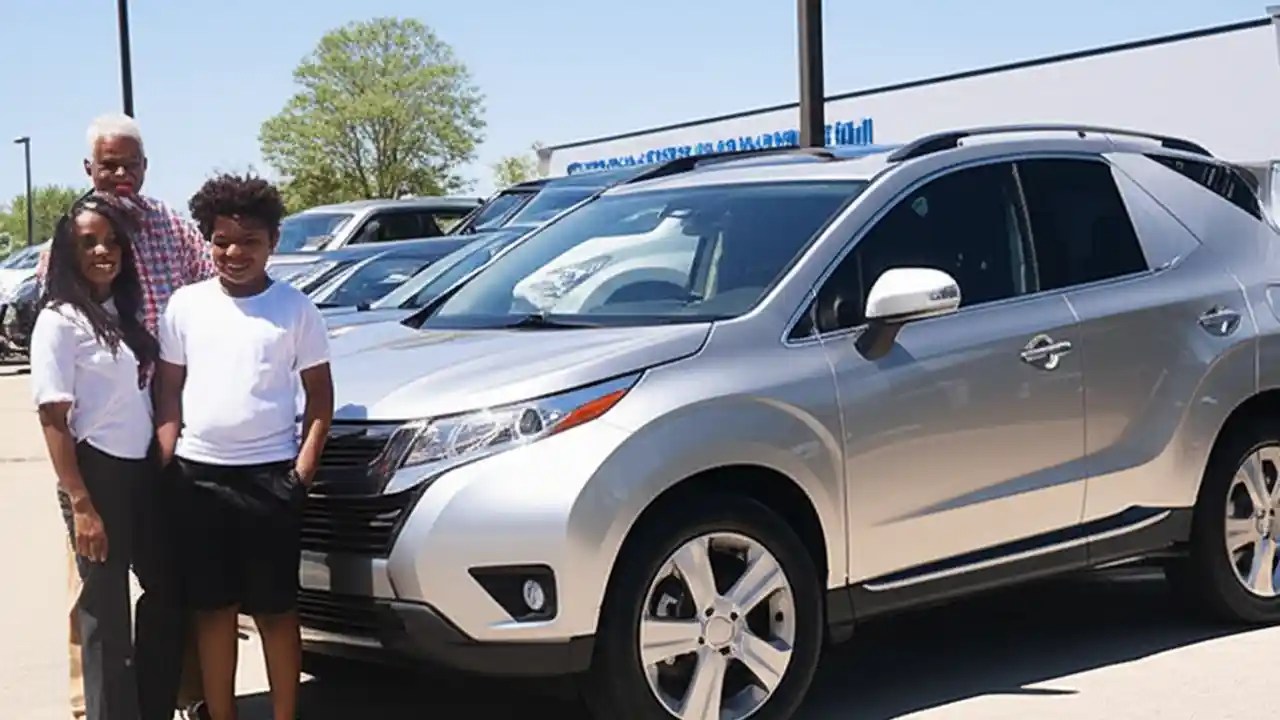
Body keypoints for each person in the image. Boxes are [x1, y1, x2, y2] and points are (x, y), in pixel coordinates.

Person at [155, 173, 333, 720]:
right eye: (221, 240)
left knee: (277, 611)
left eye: (249, 242)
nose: (234, 253)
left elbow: (320, 399)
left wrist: (299, 475)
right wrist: (164, 466)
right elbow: (168, 393)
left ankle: (284, 714)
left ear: (273, 243)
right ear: (207, 239)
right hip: (198, 479)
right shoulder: (185, 306)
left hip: (270, 482)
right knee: (213, 611)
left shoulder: (296, 310)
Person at [56, 112, 216, 720]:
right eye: (108, 164)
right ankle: (91, 706)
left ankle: (176, 699)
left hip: (168, 426)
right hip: (99, 441)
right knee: (95, 588)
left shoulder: (171, 227)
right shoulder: (71, 238)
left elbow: (210, 288)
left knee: (171, 575)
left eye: (130, 164)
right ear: (89, 168)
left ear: (145, 168)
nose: (120, 175)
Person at [32, 193, 160, 719]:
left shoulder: (121, 313)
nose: (103, 251)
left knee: (162, 596)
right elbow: (52, 418)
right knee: (105, 617)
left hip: (142, 471)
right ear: (69, 252)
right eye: (89, 243)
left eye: (111, 242)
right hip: (96, 475)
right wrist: (80, 502)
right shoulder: (59, 321)